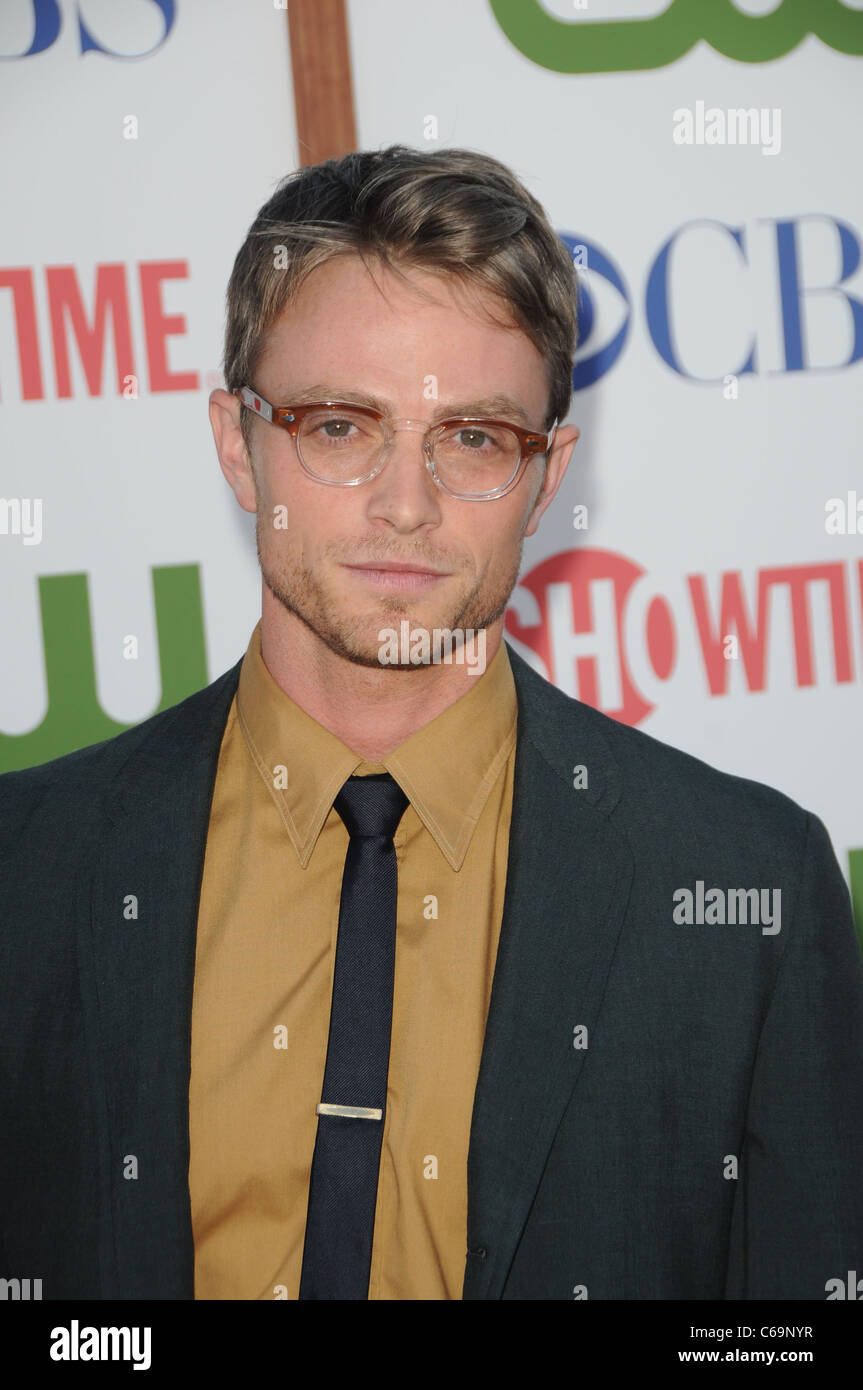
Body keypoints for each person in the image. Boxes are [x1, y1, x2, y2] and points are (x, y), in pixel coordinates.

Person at [1, 145, 861, 1302]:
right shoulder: (28, 868)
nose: (404, 505)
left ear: (546, 473)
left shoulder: (746, 886)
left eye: (470, 438)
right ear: (236, 443)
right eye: (339, 425)